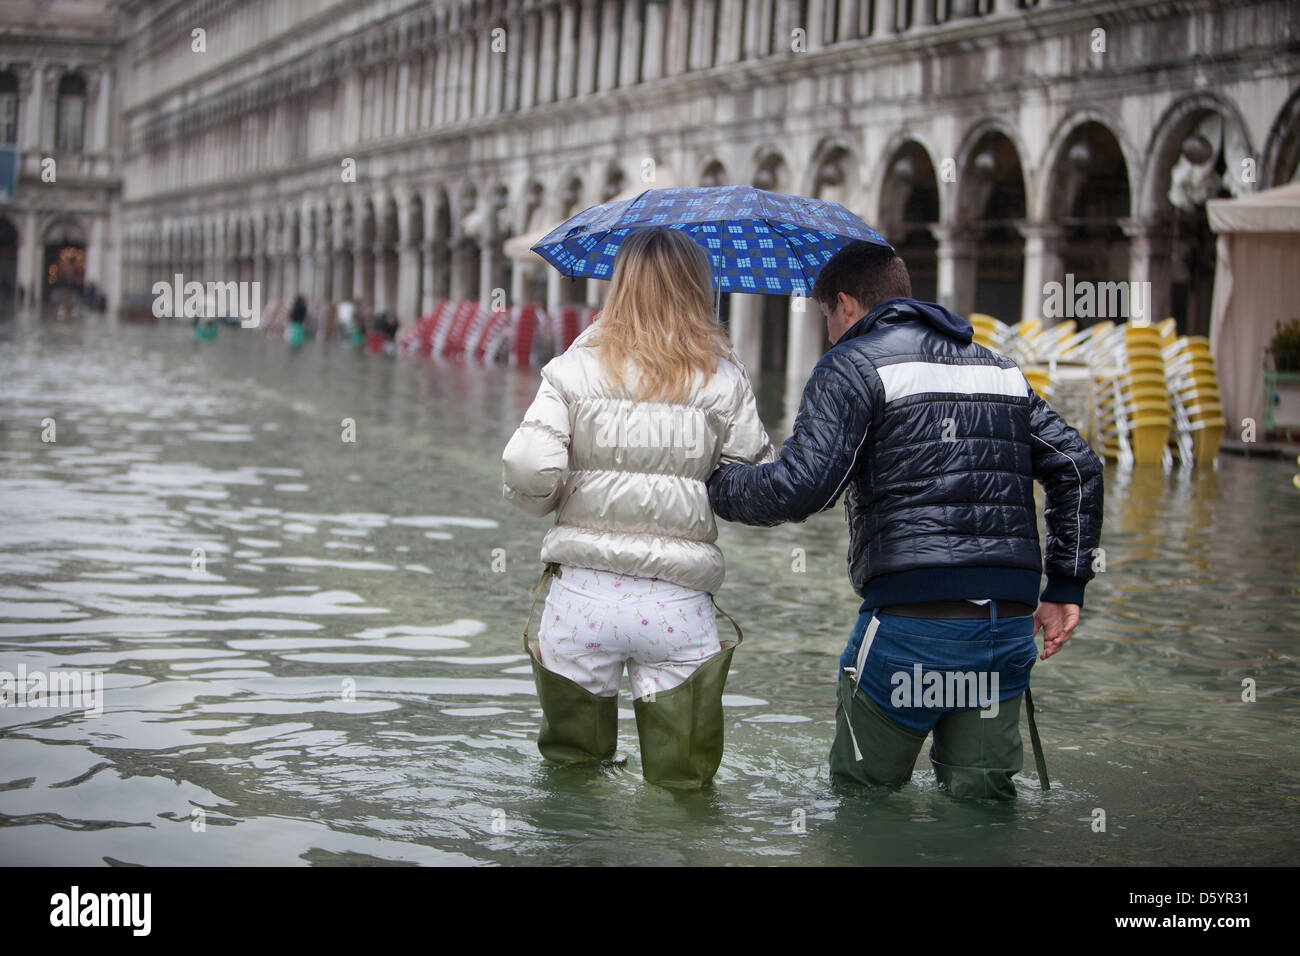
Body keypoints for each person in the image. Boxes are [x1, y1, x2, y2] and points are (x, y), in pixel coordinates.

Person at [706, 241, 1104, 800]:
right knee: (982, 808)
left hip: (910, 629)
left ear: (844, 304)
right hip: (1007, 627)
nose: (827, 330)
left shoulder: (852, 367)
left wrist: (710, 483)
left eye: (825, 315)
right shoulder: (1000, 370)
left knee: (863, 800)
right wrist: (1066, 586)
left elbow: (799, 487)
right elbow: (1077, 467)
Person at [501, 226, 774, 789]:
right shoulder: (723, 377)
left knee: (572, 782)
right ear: (696, 289)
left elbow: (529, 466)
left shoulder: (571, 369)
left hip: (580, 603)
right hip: (675, 605)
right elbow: (757, 483)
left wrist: (549, 499)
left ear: (619, 285)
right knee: (683, 789)